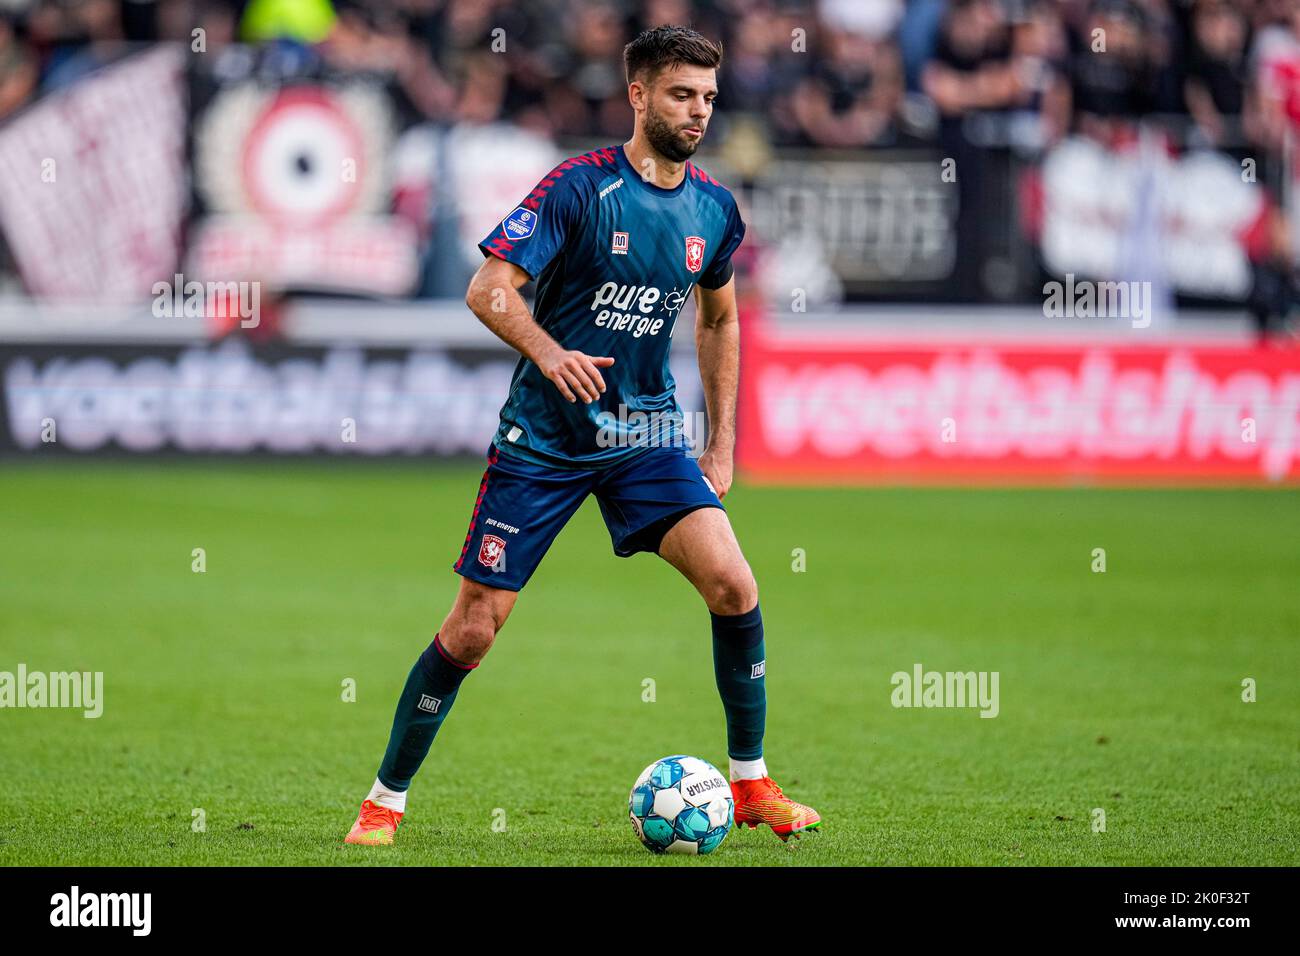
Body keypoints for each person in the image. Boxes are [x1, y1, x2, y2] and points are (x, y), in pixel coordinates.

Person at [344, 24, 821, 847]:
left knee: (735, 586)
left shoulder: (714, 207)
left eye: (708, 97)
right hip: (545, 441)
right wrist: (550, 350)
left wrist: (721, 444)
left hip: (645, 433)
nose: (698, 111)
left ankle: (751, 785)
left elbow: (719, 317)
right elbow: (489, 288)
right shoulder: (577, 189)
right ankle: (383, 800)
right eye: (681, 94)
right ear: (637, 95)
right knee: (473, 629)